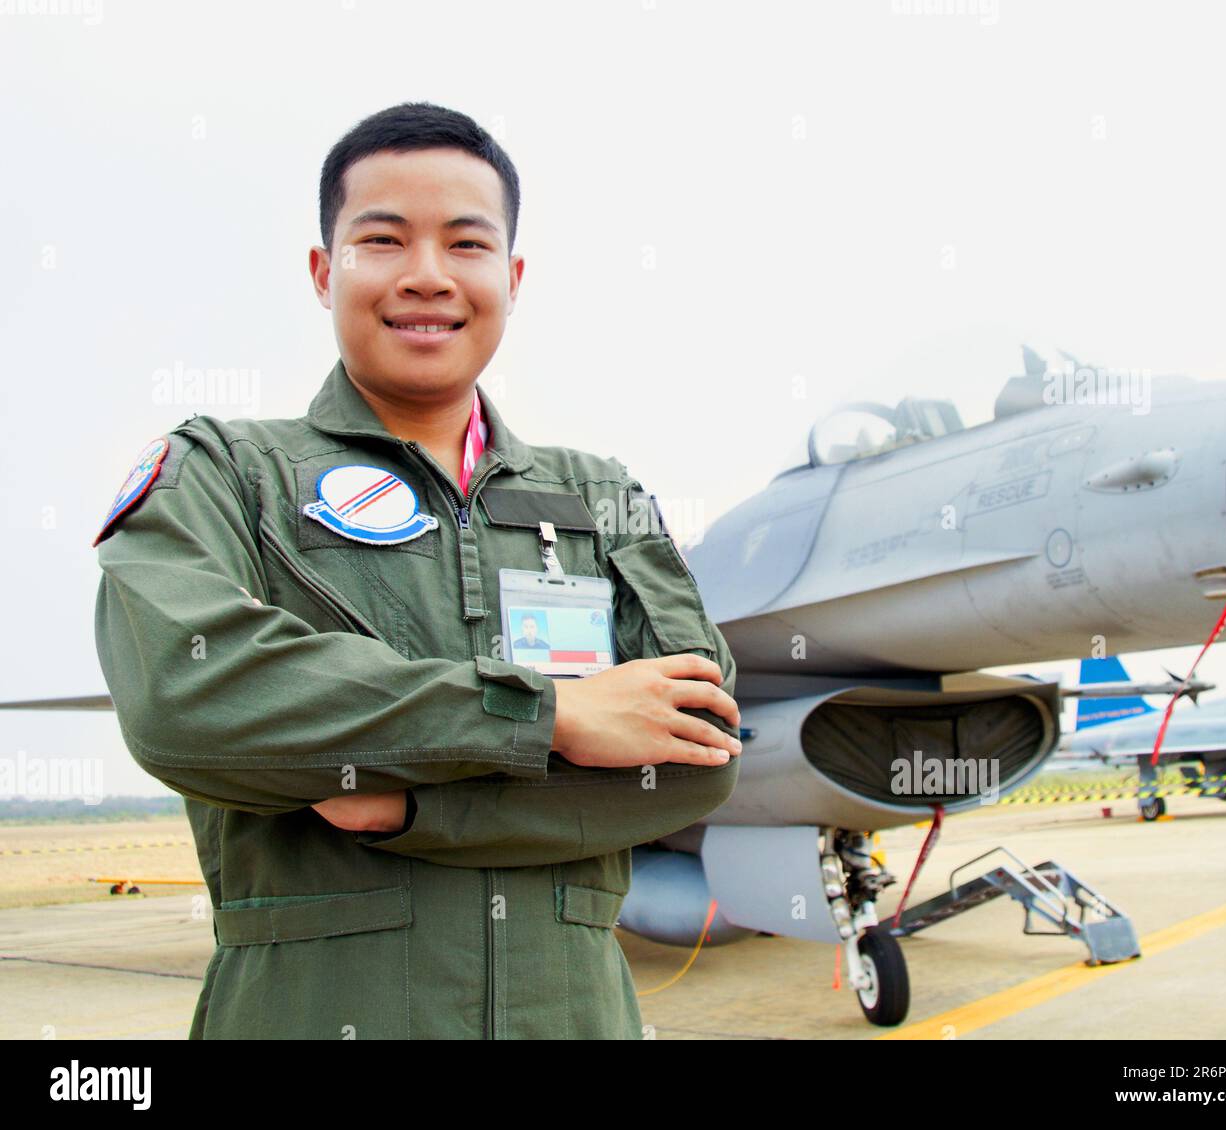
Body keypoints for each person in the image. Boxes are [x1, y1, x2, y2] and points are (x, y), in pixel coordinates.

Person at [93, 102, 742, 1040]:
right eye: (383, 241)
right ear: (325, 272)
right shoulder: (222, 473)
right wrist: (552, 716)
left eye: (467, 244)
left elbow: (698, 760)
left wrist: (406, 806)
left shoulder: (598, 494)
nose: (428, 276)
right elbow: (186, 698)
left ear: (512, 278)